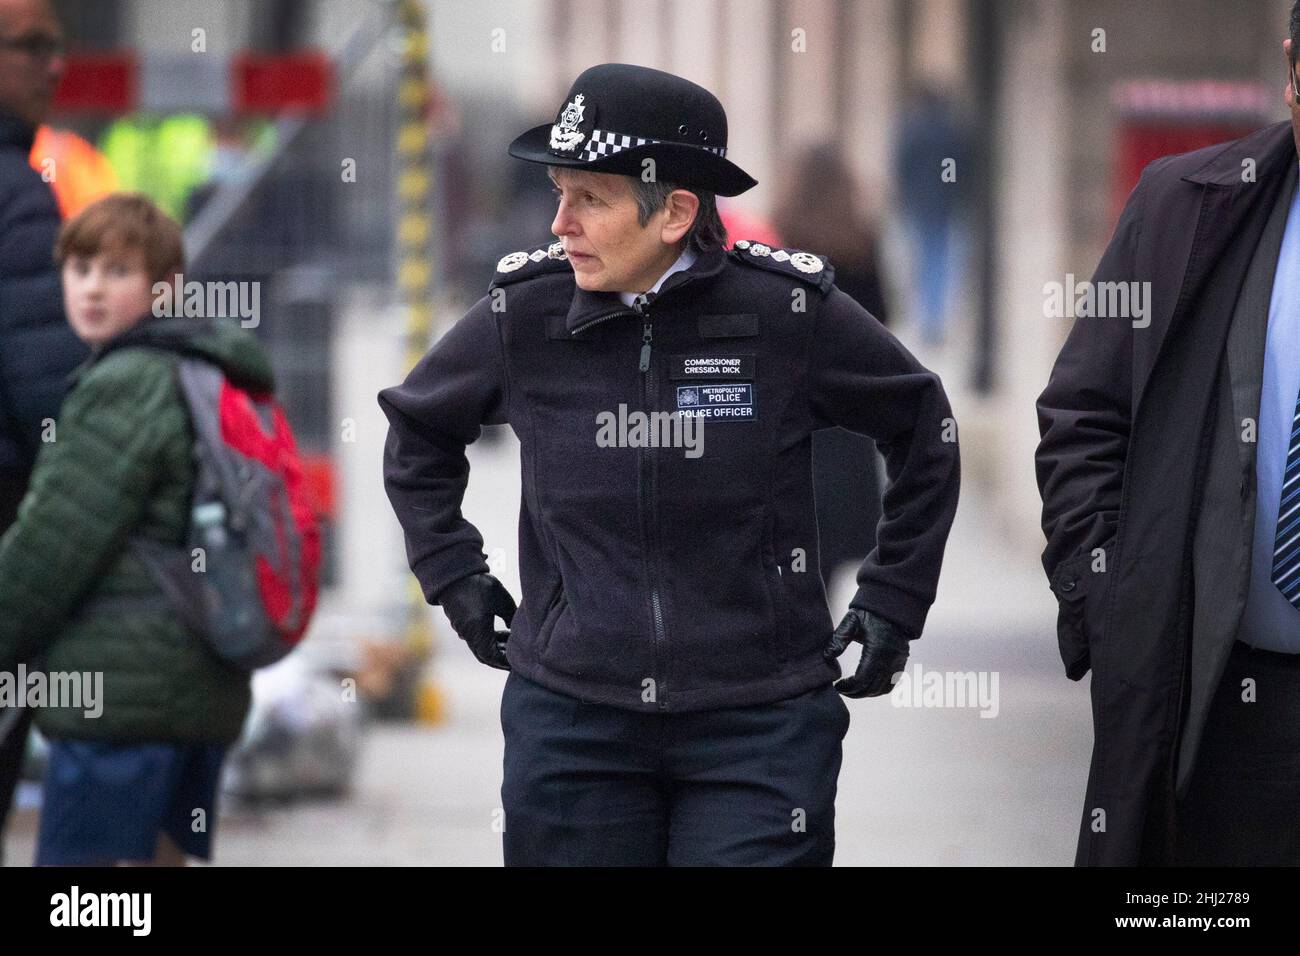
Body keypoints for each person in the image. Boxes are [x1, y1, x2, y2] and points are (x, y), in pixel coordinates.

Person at [381, 63, 961, 866]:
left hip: (760, 728)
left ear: (676, 212)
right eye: (558, 192)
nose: (559, 223)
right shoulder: (528, 314)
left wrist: (896, 593)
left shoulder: (787, 312)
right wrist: (453, 572)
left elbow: (926, 429)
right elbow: (417, 430)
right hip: (573, 725)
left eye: (590, 198)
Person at [1036, 4, 1300, 867]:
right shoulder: (1188, 207)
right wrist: (1114, 605)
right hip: (1222, 707)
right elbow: (1084, 417)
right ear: (1293, 66)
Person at [0, 193, 268, 865]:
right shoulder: (202, 366)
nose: (92, 287)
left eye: (118, 271)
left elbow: (51, 548)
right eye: (80, 268)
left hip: (118, 699)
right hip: (198, 681)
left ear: (166, 287)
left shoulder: (123, 384)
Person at [0, 0, 88, 861]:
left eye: (57, 48)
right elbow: (47, 393)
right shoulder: (17, 192)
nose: (52, 65)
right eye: (30, 48)